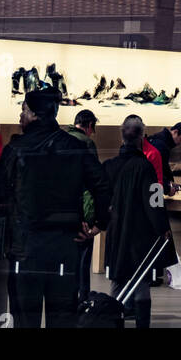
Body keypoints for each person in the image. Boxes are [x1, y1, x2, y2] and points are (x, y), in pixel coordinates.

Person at [0, 88, 110, 328]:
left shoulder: (16, 149)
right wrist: (98, 224)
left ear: (34, 115)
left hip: (26, 248)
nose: (20, 116)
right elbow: (103, 186)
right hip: (65, 246)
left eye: (23, 110)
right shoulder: (73, 146)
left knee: (25, 318)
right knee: (62, 317)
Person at [105, 115, 170, 328]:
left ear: (121, 136)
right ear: (142, 137)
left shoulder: (110, 166)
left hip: (116, 231)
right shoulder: (145, 167)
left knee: (117, 280)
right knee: (141, 281)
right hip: (140, 234)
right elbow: (154, 200)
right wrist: (162, 228)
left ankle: (115, 323)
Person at [66, 108, 100, 302]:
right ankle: (83, 298)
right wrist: (92, 218)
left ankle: (66, 298)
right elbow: (93, 182)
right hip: (81, 210)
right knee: (83, 258)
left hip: (61, 210)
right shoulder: (87, 143)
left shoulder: (61, 138)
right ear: (89, 126)